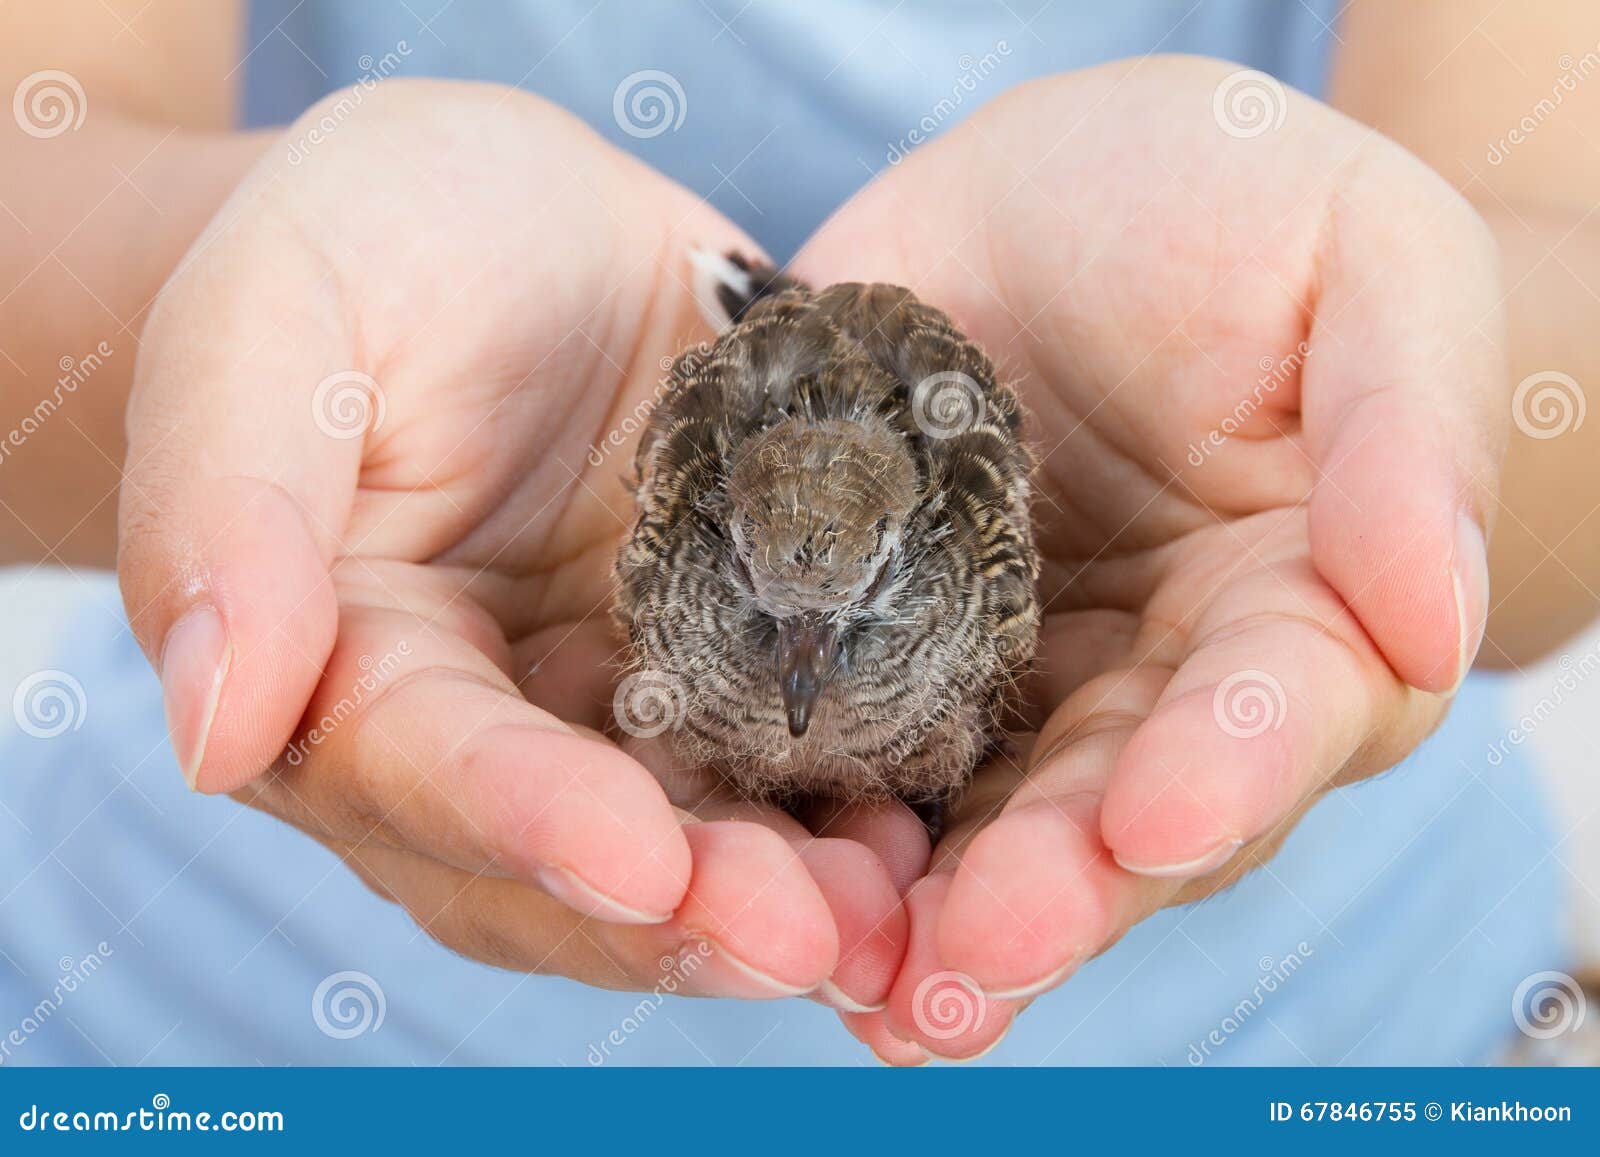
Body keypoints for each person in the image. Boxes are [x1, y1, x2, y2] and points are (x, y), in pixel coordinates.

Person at [0, 0, 1591, 1065]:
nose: (806, 671)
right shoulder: (670, 535)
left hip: (1345, 1032)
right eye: (776, 609)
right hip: (213, 1025)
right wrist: (268, 350)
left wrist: (1401, 373)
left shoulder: (983, 539)